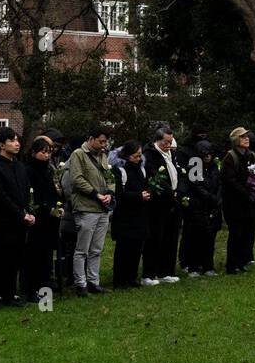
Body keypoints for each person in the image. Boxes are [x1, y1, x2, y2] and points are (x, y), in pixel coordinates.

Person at [0, 127, 35, 308]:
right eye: (12, 140)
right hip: (0, 222)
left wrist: (28, 212)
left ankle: (9, 294)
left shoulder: (19, 165)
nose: (17, 143)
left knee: (14, 259)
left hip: (19, 222)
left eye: (17, 140)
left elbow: (26, 192)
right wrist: (20, 213)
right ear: (1, 145)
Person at [68, 125, 113, 297]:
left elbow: (109, 177)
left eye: (105, 142)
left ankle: (94, 282)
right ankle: (81, 284)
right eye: (101, 141)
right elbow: (76, 179)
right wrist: (96, 194)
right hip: (86, 208)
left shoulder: (103, 155)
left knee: (97, 249)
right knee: (82, 249)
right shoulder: (78, 154)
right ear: (91, 138)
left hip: (102, 208)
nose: (103, 145)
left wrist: (109, 193)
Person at [142, 125, 185, 283]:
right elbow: (154, 178)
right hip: (157, 203)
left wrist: (178, 192)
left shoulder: (172, 155)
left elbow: (178, 174)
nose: (168, 145)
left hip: (173, 202)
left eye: (170, 142)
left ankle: (166, 270)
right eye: (165, 142)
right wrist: (169, 192)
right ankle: (149, 273)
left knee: (171, 237)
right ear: (158, 140)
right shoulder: (149, 155)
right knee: (155, 238)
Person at [221, 126, 255, 274]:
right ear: (235, 140)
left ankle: (243, 260)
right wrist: (246, 192)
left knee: (247, 232)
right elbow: (230, 181)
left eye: (247, 136)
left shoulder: (251, 156)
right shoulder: (229, 158)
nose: (246, 138)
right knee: (235, 233)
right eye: (242, 137)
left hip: (249, 202)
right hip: (233, 203)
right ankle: (232, 265)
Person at [23, 137, 61, 301]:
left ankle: (45, 289)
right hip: (37, 218)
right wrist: (47, 208)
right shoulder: (29, 170)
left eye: (49, 152)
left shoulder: (50, 170)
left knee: (46, 255)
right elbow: (33, 195)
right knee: (33, 256)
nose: (46, 156)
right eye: (43, 152)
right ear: (33, 152)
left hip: (51, 219)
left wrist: (58, 205)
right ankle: (31, 289)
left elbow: (53, 191)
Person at [180, 140, 223, 276]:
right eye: (205, 154)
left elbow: (219, 183)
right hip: (198, 207)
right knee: (195, 238)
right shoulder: (194, 165)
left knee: (210, 238)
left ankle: (208, 266)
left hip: (212, 207)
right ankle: (193, 266)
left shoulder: (214, 166)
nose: (208, 156)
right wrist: (211, 197)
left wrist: (217, 198)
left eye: (210, 154)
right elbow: (196, 186)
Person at [111, 141, 150, 287]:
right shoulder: (120, 171)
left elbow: (146, 185)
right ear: (127, 156)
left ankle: (132, 277)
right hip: (125, 216)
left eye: (140, 156)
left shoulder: (141, 169)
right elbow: (120, 194)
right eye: (135, 156)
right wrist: (139, 196)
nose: (138, 159)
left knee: (136, 247)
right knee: (124, 248)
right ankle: (120, 279)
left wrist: (147, 193)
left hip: (139, 214)